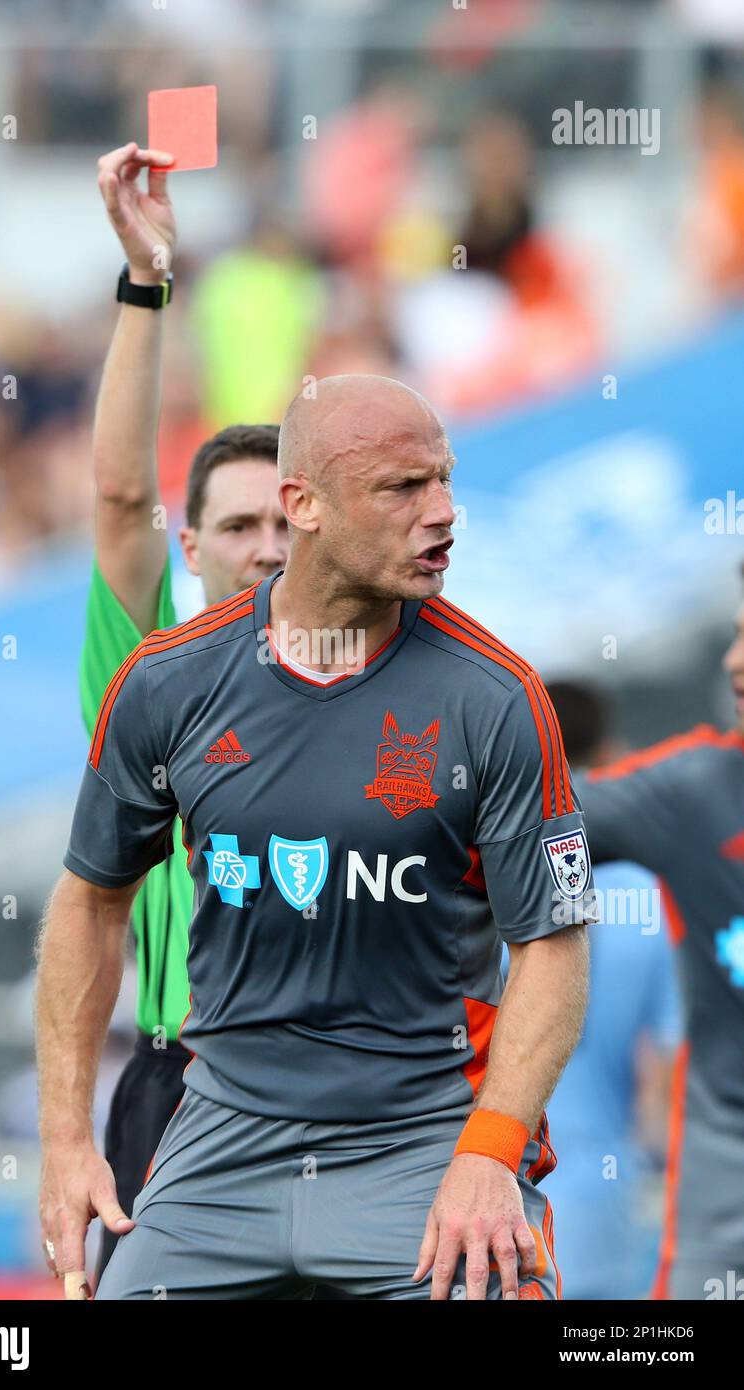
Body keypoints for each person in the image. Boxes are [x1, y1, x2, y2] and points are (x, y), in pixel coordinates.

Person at [38, 370, 594, 1301]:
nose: (445, 513)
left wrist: (491, 1153)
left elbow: (553, 945)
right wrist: (63, 1142)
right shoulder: (170, 682)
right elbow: (92, 901)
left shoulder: (495, 697)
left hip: (423, 1138)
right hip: (221, 1131)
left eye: (445, 480)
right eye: (403, 488)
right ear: (304, 505)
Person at [73, 140, 288, 1286]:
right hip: (178, 1080)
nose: (263, 548)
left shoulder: (385, 669)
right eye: (236, 526)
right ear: (189, 544)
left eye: (282, 525)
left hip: (347, 1092)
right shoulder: (149, 669)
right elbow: (114, 495)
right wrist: (146, 281)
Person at [574, 573, 744, 1300]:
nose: (734, 661)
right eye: (736, 634)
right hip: (718, 1190)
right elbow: (502, 818)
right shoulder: (694, 790)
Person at [541, 681, 680, 1300]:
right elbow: (664, 1094)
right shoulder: (656, 899)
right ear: (611, 755)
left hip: (493, 1215)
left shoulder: (476, 893)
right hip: (613, 1221)